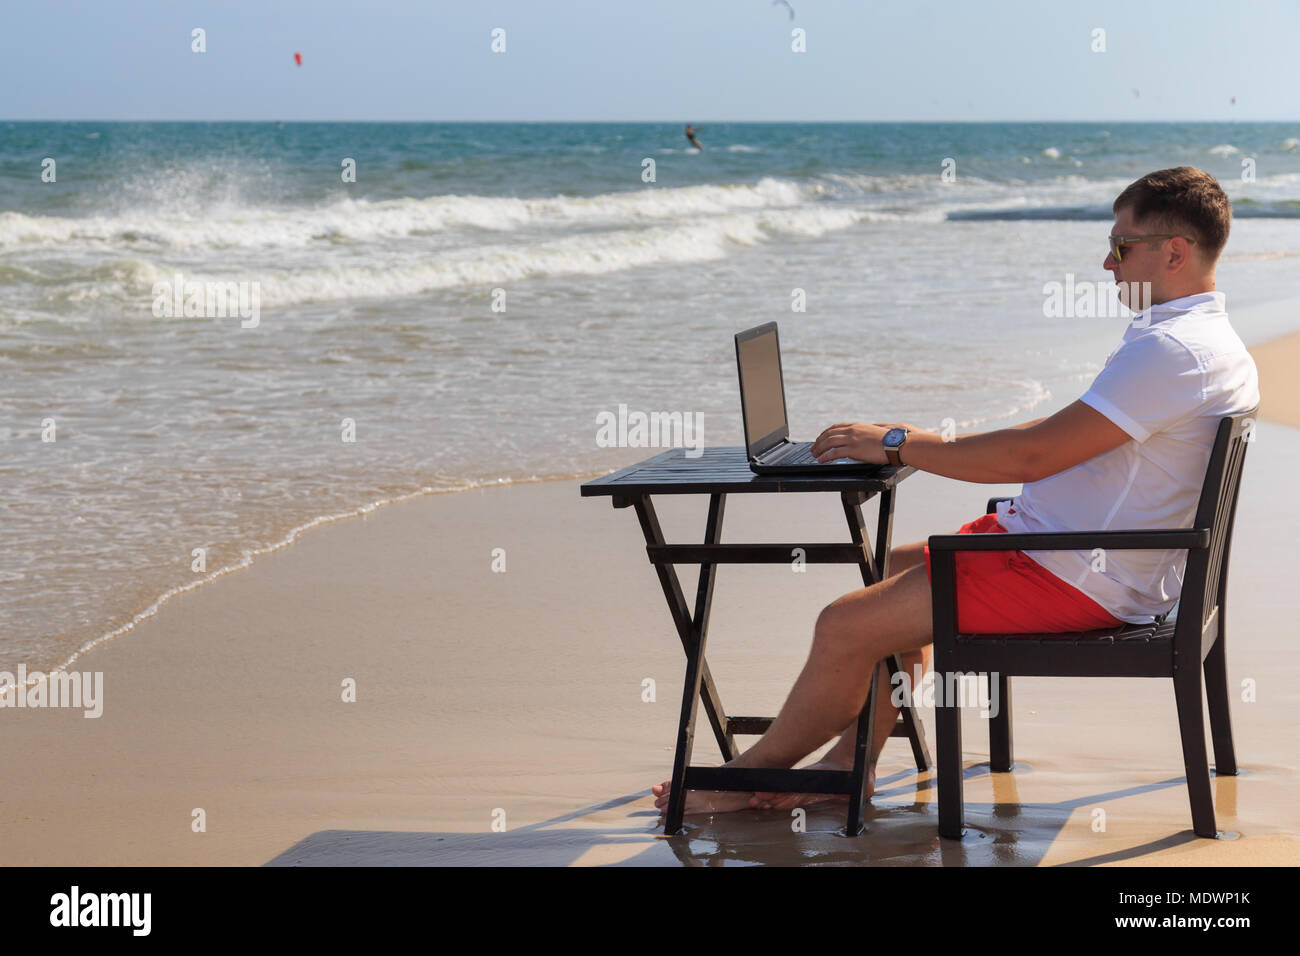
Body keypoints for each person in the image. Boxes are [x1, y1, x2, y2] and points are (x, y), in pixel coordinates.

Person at [653, 166, 1260, 816]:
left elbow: (1033, 454)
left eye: (1120, 247)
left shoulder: (1173, 351)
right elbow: (1059, 433)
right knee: (884, 570)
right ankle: (841, 766)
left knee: (842, 625)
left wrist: (898, 446)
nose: (1106, 263)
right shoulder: (1201, 342)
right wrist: (921, 437)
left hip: (1076, 573)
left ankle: (747, 780)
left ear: (1174, 252)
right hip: (1080, 555)